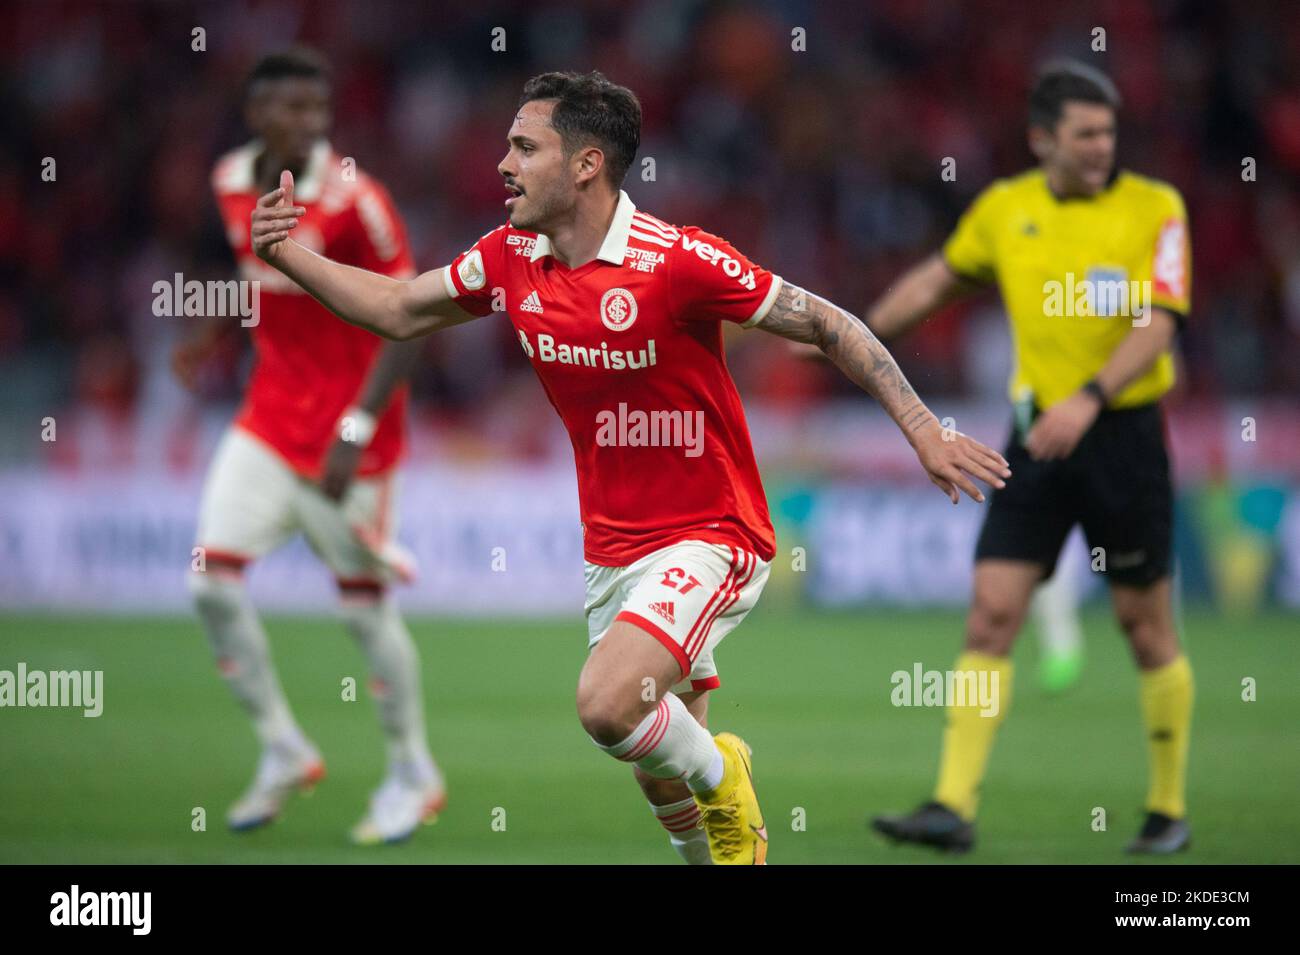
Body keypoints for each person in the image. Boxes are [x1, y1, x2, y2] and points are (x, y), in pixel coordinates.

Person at [247, 70, 1008, 864]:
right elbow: (400, 308)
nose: (503, 164)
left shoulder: (676, 260)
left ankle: (727, 772)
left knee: (608, 705)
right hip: (612, 547)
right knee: (655, 770)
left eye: (524, 146)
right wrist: (288, 256)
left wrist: (923, 427)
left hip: (713, 532)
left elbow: (823, 320)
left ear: (585, 165)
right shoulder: (512, 256)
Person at [868, 60, 1194, 854]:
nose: (1100, 147)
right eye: (1085, 133)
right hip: (1035, 440)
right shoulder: (1006, 208)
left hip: (1122, 436)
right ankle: (952, 803)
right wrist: (848, 336)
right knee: (991, 615)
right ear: (1043, 139)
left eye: (1108, 132)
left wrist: (1089, 398)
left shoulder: (1156, 206)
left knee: (1142, 625)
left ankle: (1167, 808)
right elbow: (937, 282)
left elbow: (1158, 322)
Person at [174, 48, 444, 844]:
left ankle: (411, 769)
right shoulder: (230, 180)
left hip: (352, 432)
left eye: (318, 111)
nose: (308, 124)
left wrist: (354, 430)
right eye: (291, 109)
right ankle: (284, 747)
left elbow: (410, 316)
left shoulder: (359, 202)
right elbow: (254, 274)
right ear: (256, 115)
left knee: (363, 611)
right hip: (268, 417)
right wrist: (209, 336)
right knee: (209, 584)